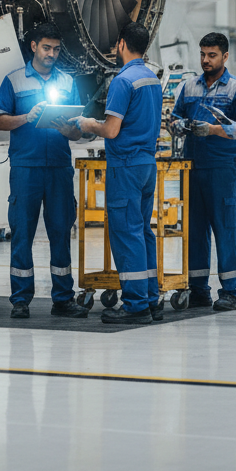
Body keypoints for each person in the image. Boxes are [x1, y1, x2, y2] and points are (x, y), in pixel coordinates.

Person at [0, 22, 89, 320]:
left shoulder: (67, 82)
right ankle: (20, 299)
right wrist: (26, 117)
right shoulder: (14, 81)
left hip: (59, 167)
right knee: (23, 233)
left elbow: (76, 134)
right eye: (46, 48)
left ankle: (63, 298)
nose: (51, 54)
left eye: (56, 49)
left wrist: (68, 128)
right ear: (34, 46)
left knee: (61, 231)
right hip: (26, 168)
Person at [72, 21, 163, 325]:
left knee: (127, 233)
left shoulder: (123, 81)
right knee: (143, 231)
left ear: (122, 43)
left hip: (125, 165)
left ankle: (136, 305)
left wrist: (87, 124)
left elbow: (111, 130)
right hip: (147, 165)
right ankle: (151, 297)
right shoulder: (151, 79)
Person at [169, 32, 236, 312]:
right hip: (192, 167)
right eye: (203, 54)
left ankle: (229, 291)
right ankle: (198, 290)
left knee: (225, 229)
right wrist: (176, 125)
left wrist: (213, 130)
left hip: (222, 169)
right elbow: (175, 116)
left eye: (212, 55)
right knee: (194, 231)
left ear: (225, 56)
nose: (206, 60)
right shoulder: (189, 86)